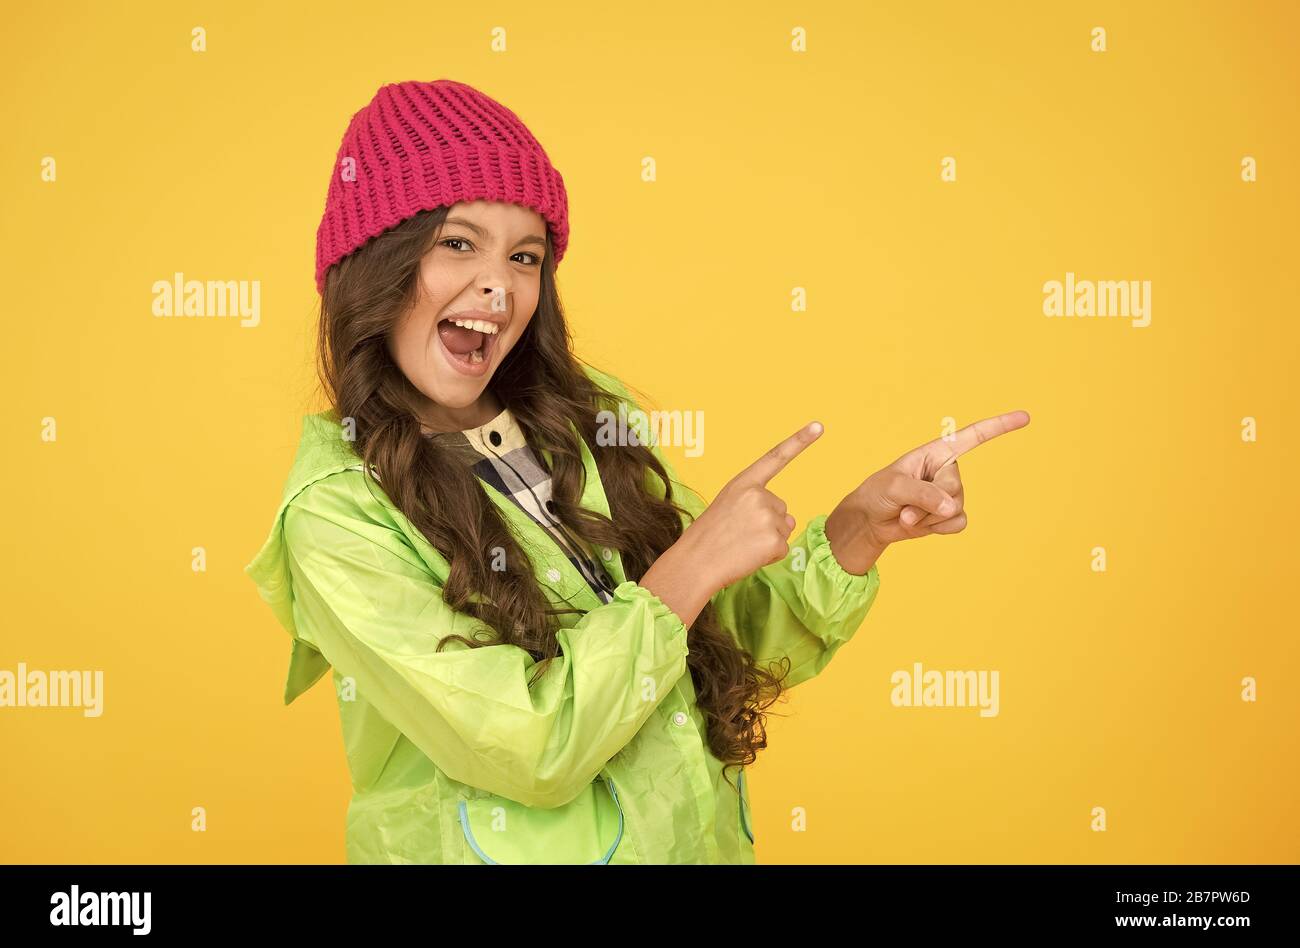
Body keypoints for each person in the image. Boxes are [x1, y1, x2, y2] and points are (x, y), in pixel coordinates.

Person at [245, 78, 1030, 864]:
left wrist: (859, 530)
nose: (499, 285)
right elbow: (529, 744)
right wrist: (687, 568)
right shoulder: (337, 513)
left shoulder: (583, 424)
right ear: (373, 263)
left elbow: (712, 642)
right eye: (458, 242)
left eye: (526, 255)